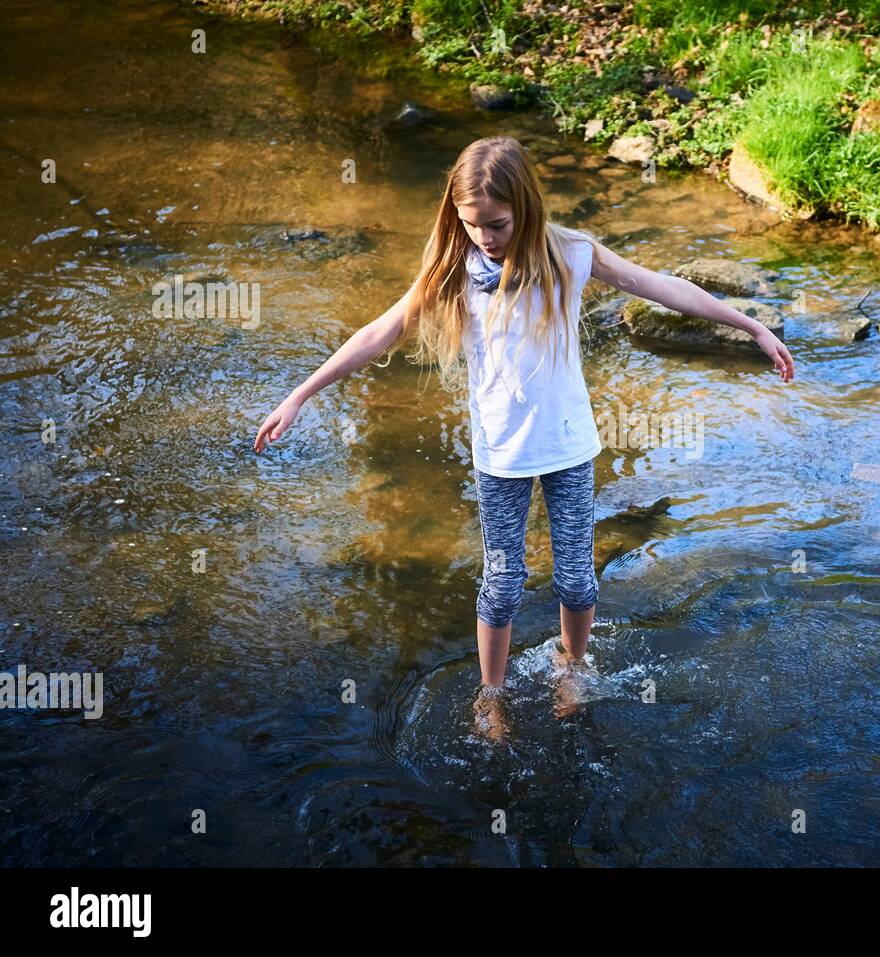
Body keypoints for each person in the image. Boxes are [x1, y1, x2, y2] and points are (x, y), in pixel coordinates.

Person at [253, 135, 795, 728]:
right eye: (472, 225)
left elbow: (663, 286)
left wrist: (750, 326)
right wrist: (300, 394)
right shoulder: (453, 268)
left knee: (577, 580)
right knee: (503, 583)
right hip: (501, 452)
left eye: (499, 224)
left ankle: (573, 670)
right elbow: (380, 332)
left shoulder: (572, 254)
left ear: (527, 209)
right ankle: (493, 697)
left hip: (567, 444)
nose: (485, 237)